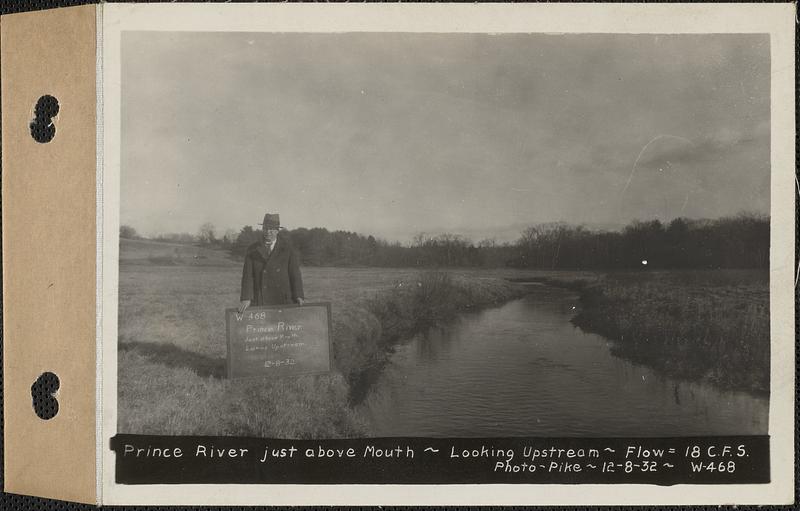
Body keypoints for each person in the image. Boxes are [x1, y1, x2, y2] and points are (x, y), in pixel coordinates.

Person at [238, 213, 304, 313]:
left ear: (277, 231)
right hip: (260, 300)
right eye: (265, 228)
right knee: (263, 328)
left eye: (272, 229)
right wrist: (246, 297)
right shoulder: (252, 249)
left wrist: (298, 295)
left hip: (283, 300)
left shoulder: (288, 249)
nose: (268, 232)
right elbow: (248, 276)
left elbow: (295, 275)